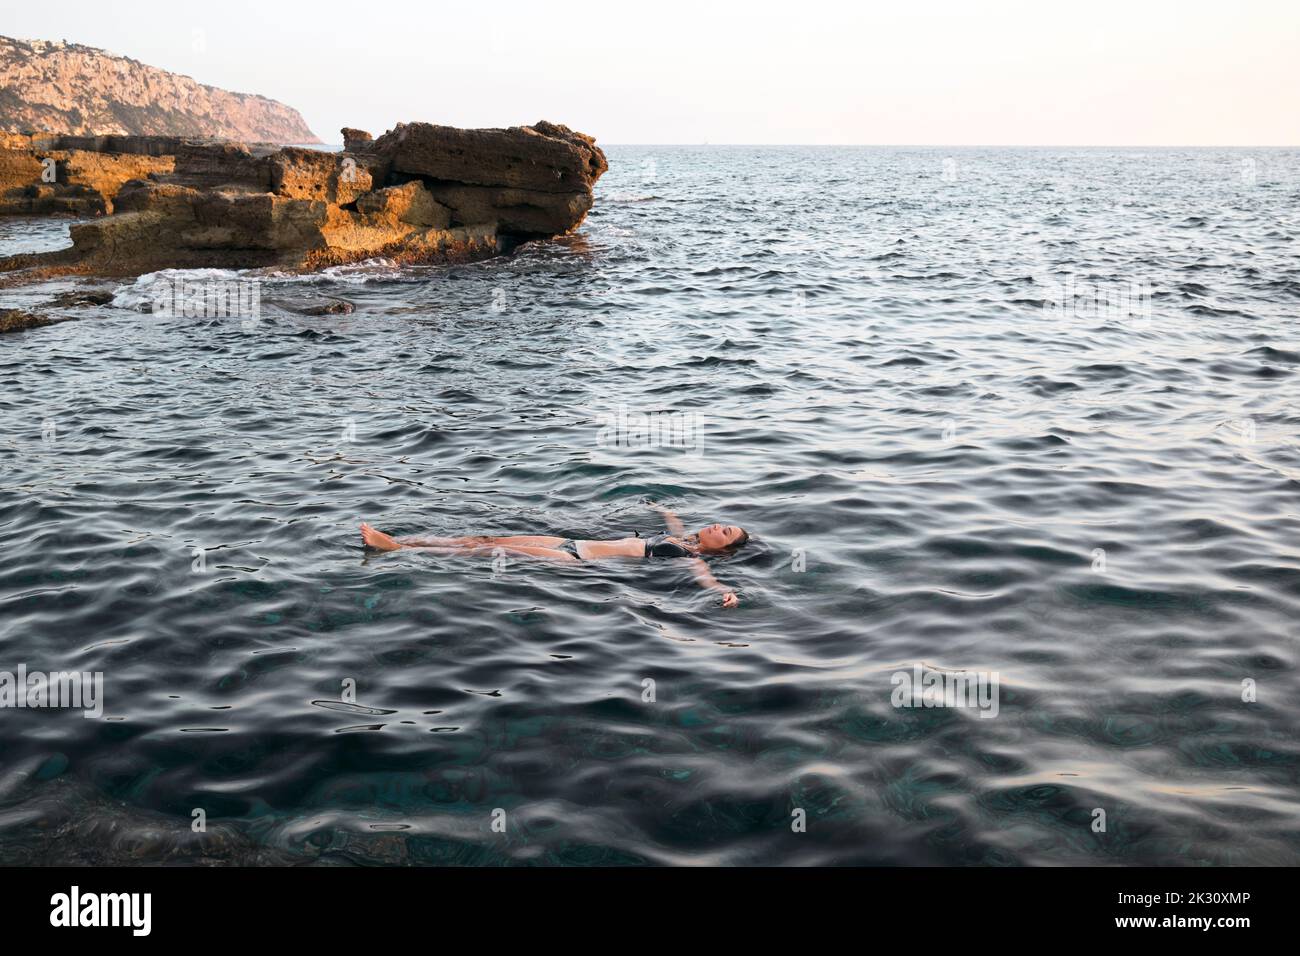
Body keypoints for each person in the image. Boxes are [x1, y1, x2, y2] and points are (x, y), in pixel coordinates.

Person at [360, 504, 747, 607]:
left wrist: (724, 595)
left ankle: (394, 550)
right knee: (485, 536)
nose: (716, 526)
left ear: (724, 550)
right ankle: (409, 541)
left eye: (724, 532)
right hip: (566, 540)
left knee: (496, 549)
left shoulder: (691, 560)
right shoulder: (681, 539)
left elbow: (710, 582)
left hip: (577, 561)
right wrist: (660, 506)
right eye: (720, 523)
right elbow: (675, 521)